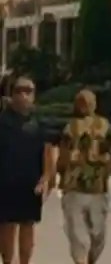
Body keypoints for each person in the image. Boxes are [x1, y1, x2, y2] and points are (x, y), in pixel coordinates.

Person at [0, 76, 57, 264]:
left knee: (27, 225)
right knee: (6, 227)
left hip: (31, 183)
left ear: (34, 96)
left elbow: (47, 153)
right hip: (5, 182)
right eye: (19, 91)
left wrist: (46, 178)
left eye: (28, 91)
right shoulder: (2, 121)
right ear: (11, 94)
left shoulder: (39, 123)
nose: (23, 95)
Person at [58, 89, 111, 264]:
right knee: (76, 232)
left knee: (98, 233)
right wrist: (60, 174)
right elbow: (63, 151)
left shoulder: (105, 126)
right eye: (81, 102)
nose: (84, 105)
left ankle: (90, 259)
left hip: (98, 187)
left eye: (88, 101)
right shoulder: (70, 127)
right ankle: (80, 260)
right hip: (73, 186)